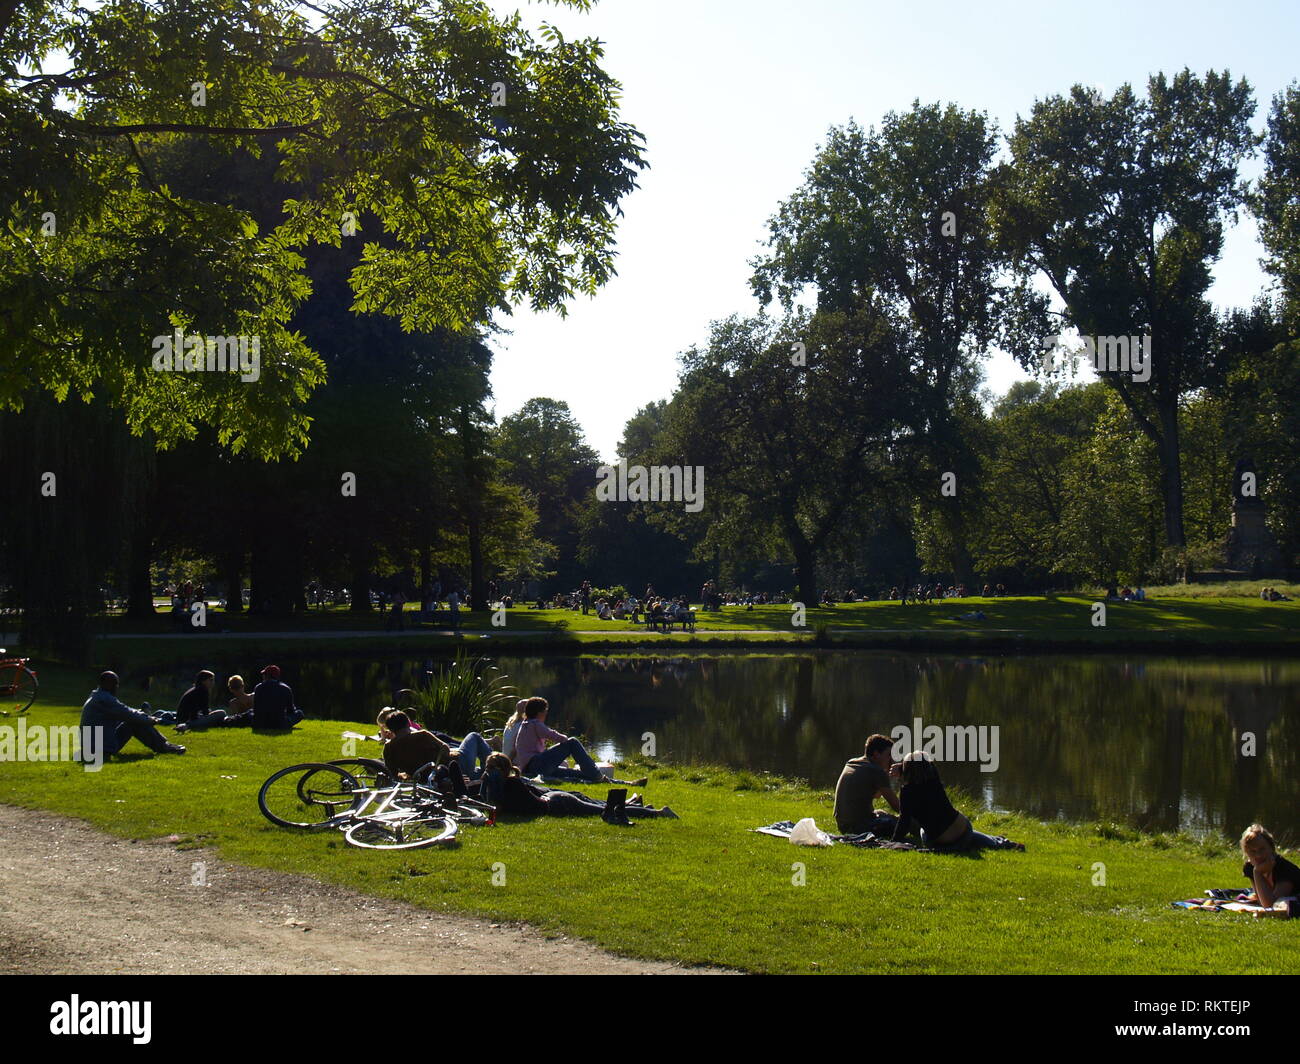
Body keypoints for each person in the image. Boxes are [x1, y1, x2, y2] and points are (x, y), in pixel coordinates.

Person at [479, 754, 676, 821]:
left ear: (502, 771)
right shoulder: (503, 785)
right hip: (554, 799)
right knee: (603, 810)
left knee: (606, 812)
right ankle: (646, 810)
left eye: (493, 769)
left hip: (558, 805)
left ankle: (659, 813)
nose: (489, 772)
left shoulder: (512, 784)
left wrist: (493, 785)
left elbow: (500, 809)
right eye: (487, 768)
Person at [890, 751, 1023, 851]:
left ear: (906, 770)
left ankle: (997, 841)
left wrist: (894, 841)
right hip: (963, 829)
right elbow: (928, 765)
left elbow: (904, 821)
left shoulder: (907, 792)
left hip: (943, 843)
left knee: (923, 831)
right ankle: (998, 842)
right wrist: (904, 766)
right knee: (965, 834)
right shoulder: (934, 781)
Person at [514, 696, 647, 785]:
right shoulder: (535, 724)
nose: (546, 714)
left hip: (532, 768)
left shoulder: (525, 725)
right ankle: (597, 776)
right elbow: (552, 735)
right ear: (540, 712)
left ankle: (627, 783)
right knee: (572, 742)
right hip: (537, 765)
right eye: (545, 712)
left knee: (578, 774)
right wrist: (565, 741)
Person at [81, 672, 186, 757]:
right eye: (115, 684)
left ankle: (163, 744)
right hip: (100, 748)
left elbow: (124, 711)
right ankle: (164, 747)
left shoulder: (96, 696)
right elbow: (128, 714)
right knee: (135, 722)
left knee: (136, 718)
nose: (116, 687)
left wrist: (141, 714)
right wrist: (150, 720)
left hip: (91, 746)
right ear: (109, 685)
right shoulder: (105, 699)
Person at [833, 734, 902, 836]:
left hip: (843, 825)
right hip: (860, 827)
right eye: (888, 755)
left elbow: (876, 795)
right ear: (876, 754)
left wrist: (886, 774)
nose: (891, 760)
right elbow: (897, 806)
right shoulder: (876, 771)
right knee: (903, 822)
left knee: (881, 813)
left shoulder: (852, 763)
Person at [1240, 823, 1299, 918]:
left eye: (1262, 849)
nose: (1258, 855)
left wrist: (1257, 873)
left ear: (1271, 848)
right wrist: (1256, 872)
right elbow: (1261, 900)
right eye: (1253, 851)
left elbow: (1271, 905)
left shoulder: (1284, 868)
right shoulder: (1250, 867)